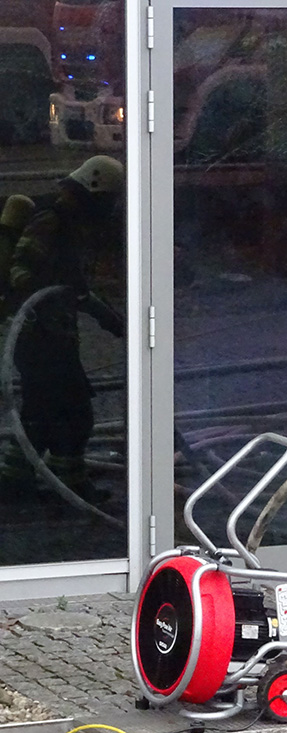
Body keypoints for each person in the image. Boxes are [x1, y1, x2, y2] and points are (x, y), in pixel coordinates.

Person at [0, 155, 125, 507]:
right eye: (107, 200)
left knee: (41, 412)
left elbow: (77, 287)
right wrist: (52, 296)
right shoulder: (50, 223)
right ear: (93, 191)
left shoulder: (68, 226)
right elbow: (21, 273)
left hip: (47, 336)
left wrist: (106, 316)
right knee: (74, 411)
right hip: (39, 337)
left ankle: (15, 481)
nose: (108, 208)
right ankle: (67, 486)